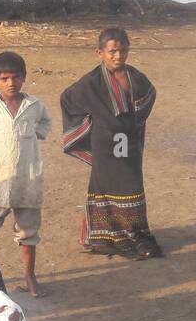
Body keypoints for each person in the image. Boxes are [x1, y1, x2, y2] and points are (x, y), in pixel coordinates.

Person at [59, 27, 163, 260]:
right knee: (106, 184)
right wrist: (91, 124)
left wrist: (136, 119)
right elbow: (67, 98)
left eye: (123, 51)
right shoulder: (91, 82)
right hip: (104, 142)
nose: (118, 56)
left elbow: (150, 93)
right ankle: (104, 235)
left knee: (132, 182)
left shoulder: (135, 77)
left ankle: (135, 233)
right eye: (112, 51)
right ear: (100, 53)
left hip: (130, 140)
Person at [0, 51, 53, 296]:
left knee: (29, 233)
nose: (11, 83)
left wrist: (36, 135)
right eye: (4, 78)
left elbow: (46, 123)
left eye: (16, 77)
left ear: (24, 77)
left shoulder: (34, 106)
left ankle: (30, 277)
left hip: (28, 181)